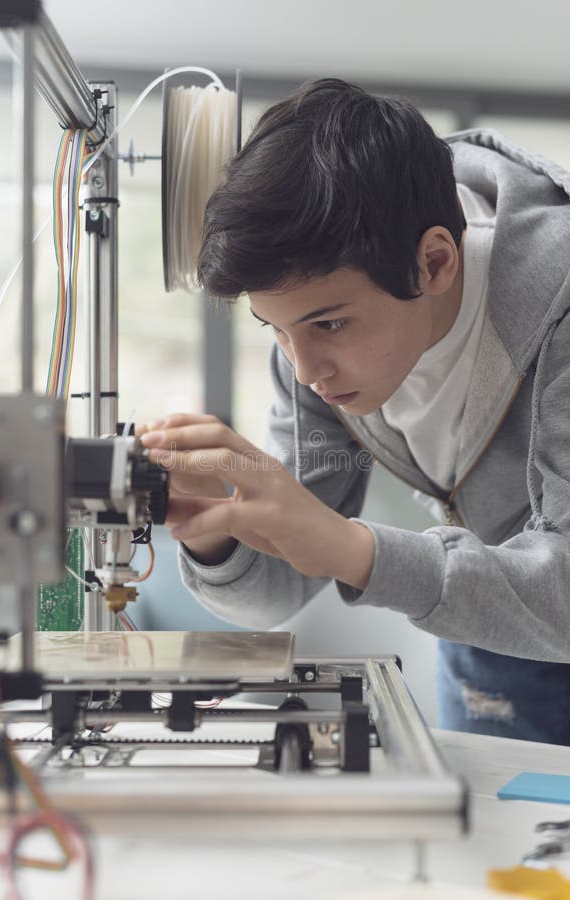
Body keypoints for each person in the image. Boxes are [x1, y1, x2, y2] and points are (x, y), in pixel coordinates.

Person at [138, 78, 570, 744]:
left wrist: (355, 550)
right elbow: (283, 583)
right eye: (274, 329)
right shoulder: (307, 354)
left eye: (330, 325)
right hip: (482, 631)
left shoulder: (560, 314)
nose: (303, 370)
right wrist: (216, 526)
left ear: (433, 262)